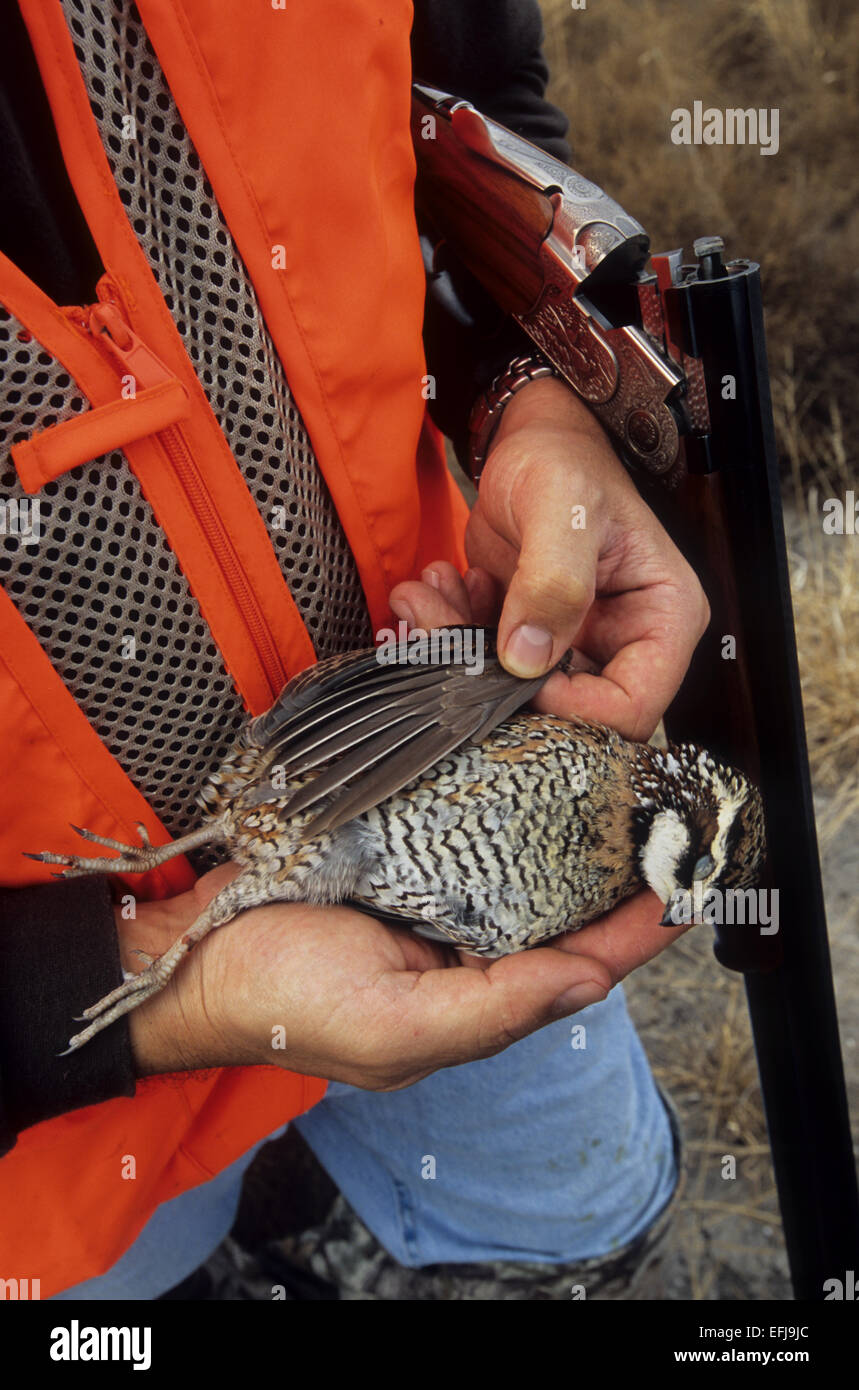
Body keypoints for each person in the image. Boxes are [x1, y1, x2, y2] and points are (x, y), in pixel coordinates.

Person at [0, 0, 707, 1299]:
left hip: (402, 674)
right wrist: (132, 990)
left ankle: (344, 1219)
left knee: (591, 1220)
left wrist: (540, 391)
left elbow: (473, 104)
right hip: (60, 1125)